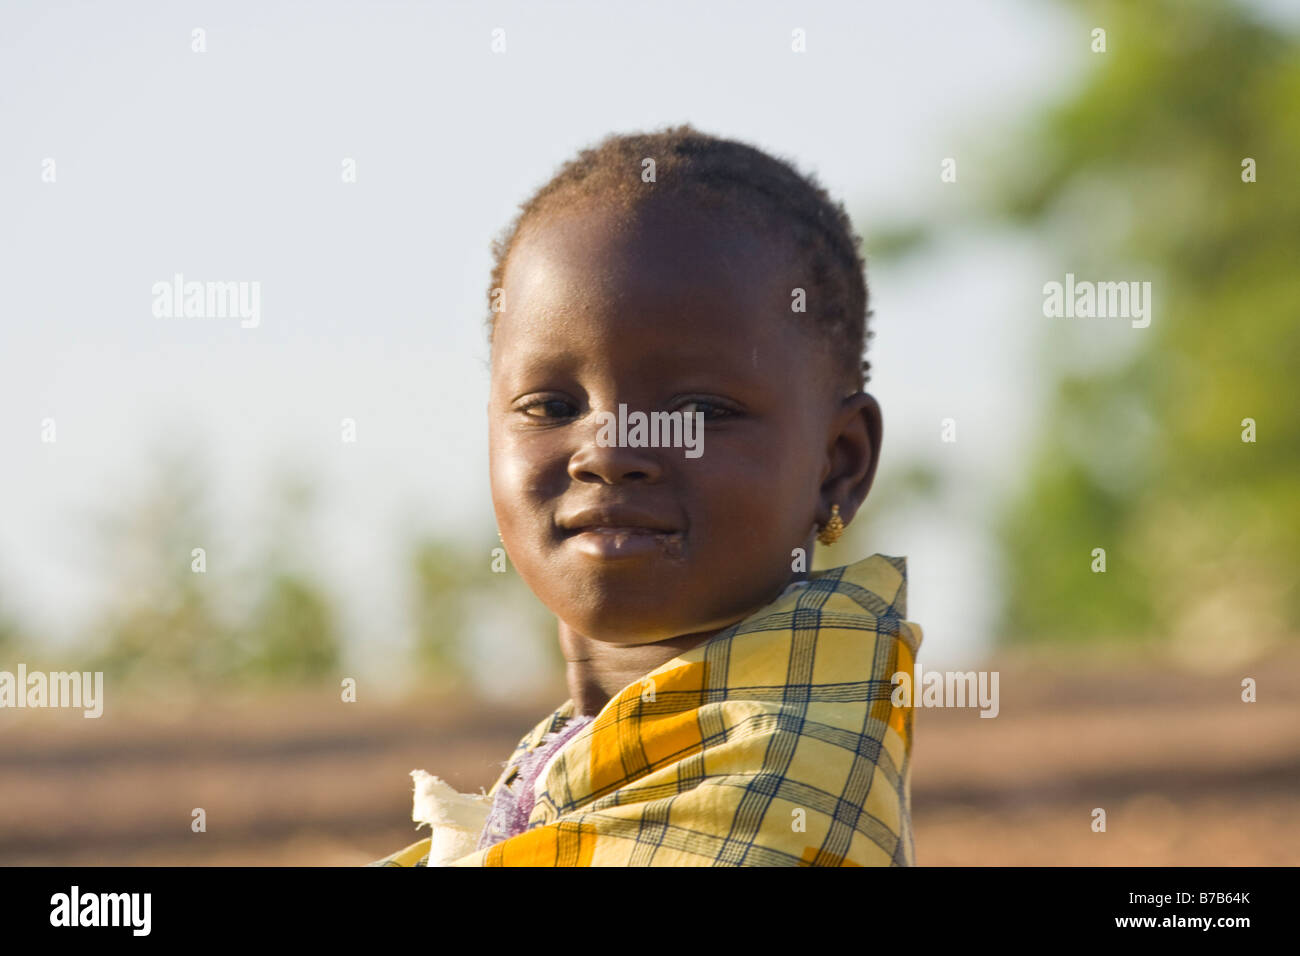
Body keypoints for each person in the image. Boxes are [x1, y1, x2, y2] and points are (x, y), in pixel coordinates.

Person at [371, 124, 922, 866]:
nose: (608, 450)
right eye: (551, 407)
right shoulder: (580, 767)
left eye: (697, 412)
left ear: (838, 464)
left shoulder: (782, 781)